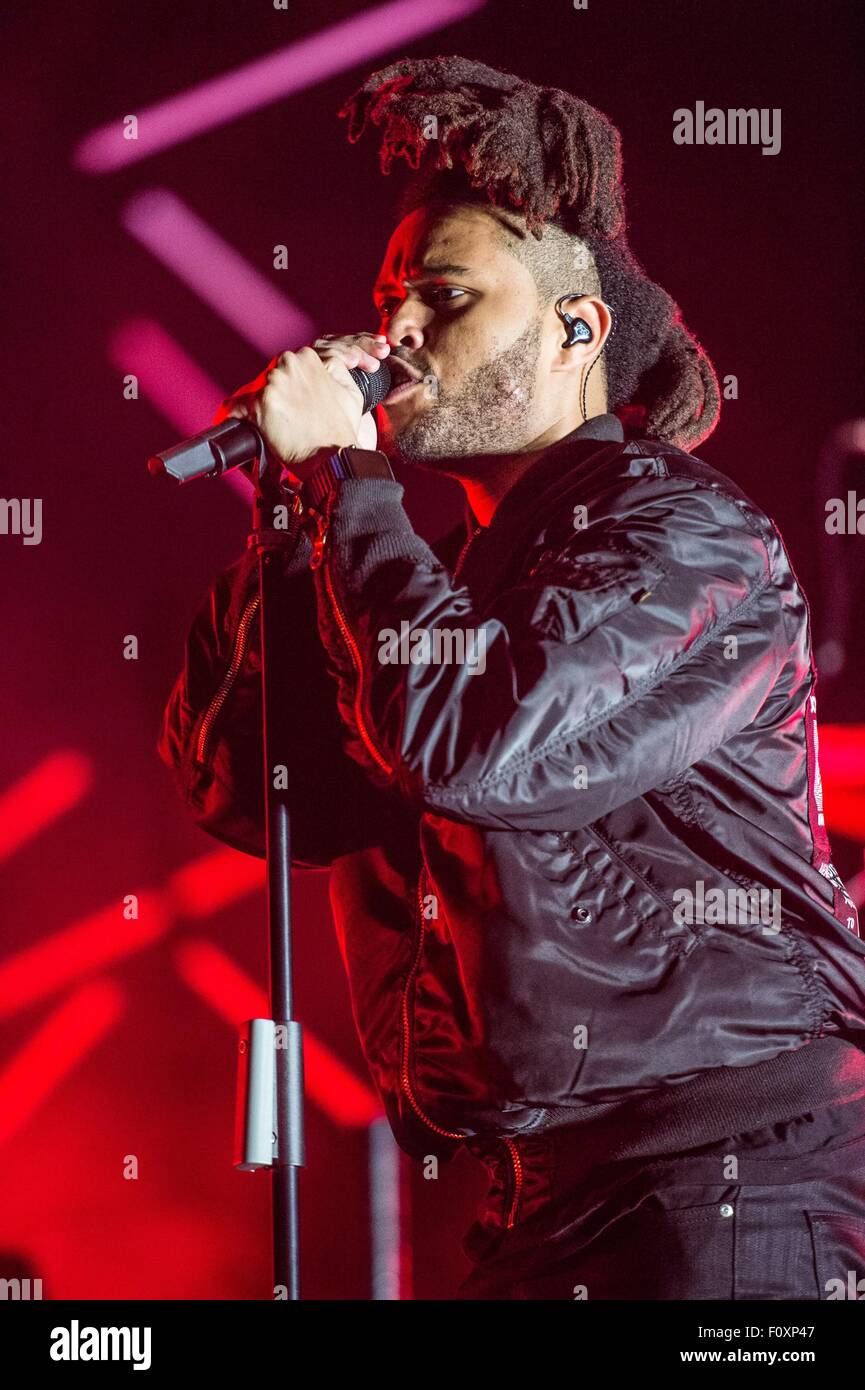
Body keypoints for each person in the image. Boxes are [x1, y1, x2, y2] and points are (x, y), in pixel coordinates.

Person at [158, 56, 865, 1299]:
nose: (396, 334)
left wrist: (353, 485)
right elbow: (251, 789)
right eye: (387, 300)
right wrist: (292, 517)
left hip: (731, 1186)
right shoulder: (432, 579)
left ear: (574, 329)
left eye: (443, 295)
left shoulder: (685, 539)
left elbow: (474, 743)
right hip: (545, 1202)